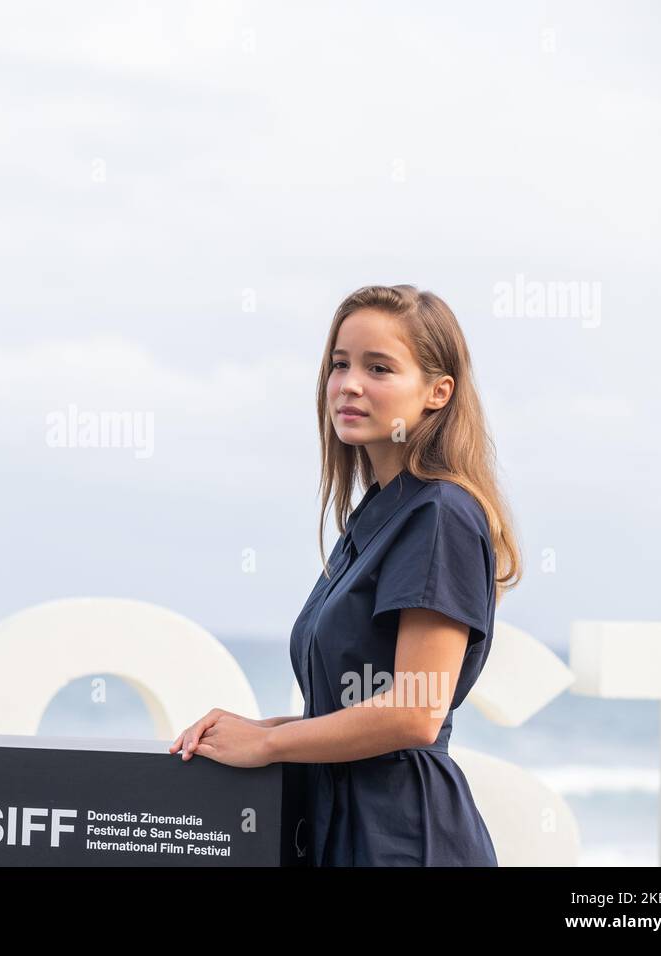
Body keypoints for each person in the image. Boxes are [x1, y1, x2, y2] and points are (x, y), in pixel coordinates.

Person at [169, 284, 522, 866]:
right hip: (343, 827)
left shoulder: (440, 513)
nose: (349, 384)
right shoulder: (380, 513)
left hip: (404, 840)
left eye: (379, 367)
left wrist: (269, 743)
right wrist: (253, 730)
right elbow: (354, 705)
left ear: (438, 392)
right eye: (340, 364)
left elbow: (415, 711)